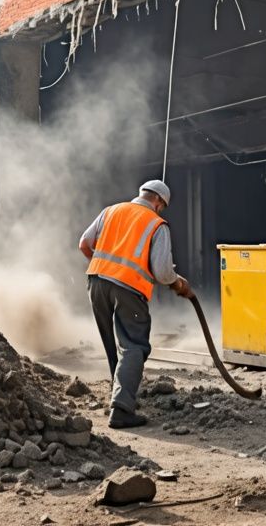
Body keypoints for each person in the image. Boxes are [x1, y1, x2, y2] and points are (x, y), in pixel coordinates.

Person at [78, 179, 194, 428]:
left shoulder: (110, 211)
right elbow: (162, 273)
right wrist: (177, 283)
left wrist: (104, 264)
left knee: (112, 343)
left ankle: (119, 395)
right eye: (162, 206)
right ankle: (121, 409)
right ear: (159, 202)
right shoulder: (157, 224)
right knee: (133, 346)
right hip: (128, 289)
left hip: (97, 281)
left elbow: (84, 244)